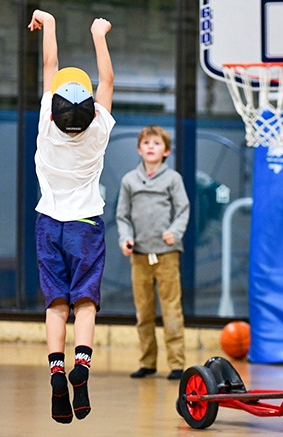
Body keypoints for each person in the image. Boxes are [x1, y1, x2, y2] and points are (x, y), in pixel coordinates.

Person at [28, 9, 115, 424]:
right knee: (85, 302)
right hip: (86, 226)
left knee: (56, 303)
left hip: (49, 224)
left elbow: (50, 65)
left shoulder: (47, 125)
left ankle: (56, 369)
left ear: (55, 108)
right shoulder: (98, 130)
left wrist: (49, 23)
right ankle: (82, 363)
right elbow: (109, 82)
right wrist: (100, 34)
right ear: (92, 109)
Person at [115, 125, 190, 381]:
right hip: (139, 256)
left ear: (166, 151)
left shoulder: (173, 179)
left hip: (167, 254)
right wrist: (125, 238)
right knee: (143, 311)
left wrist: (174, 232)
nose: (150, 147)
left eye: (156, 143)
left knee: (171, 310)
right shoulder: (129, 181)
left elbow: (183, 210)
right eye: (146, 143)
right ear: (139, 149)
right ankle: (147, 361)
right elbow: (122, 216)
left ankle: (177, 363)